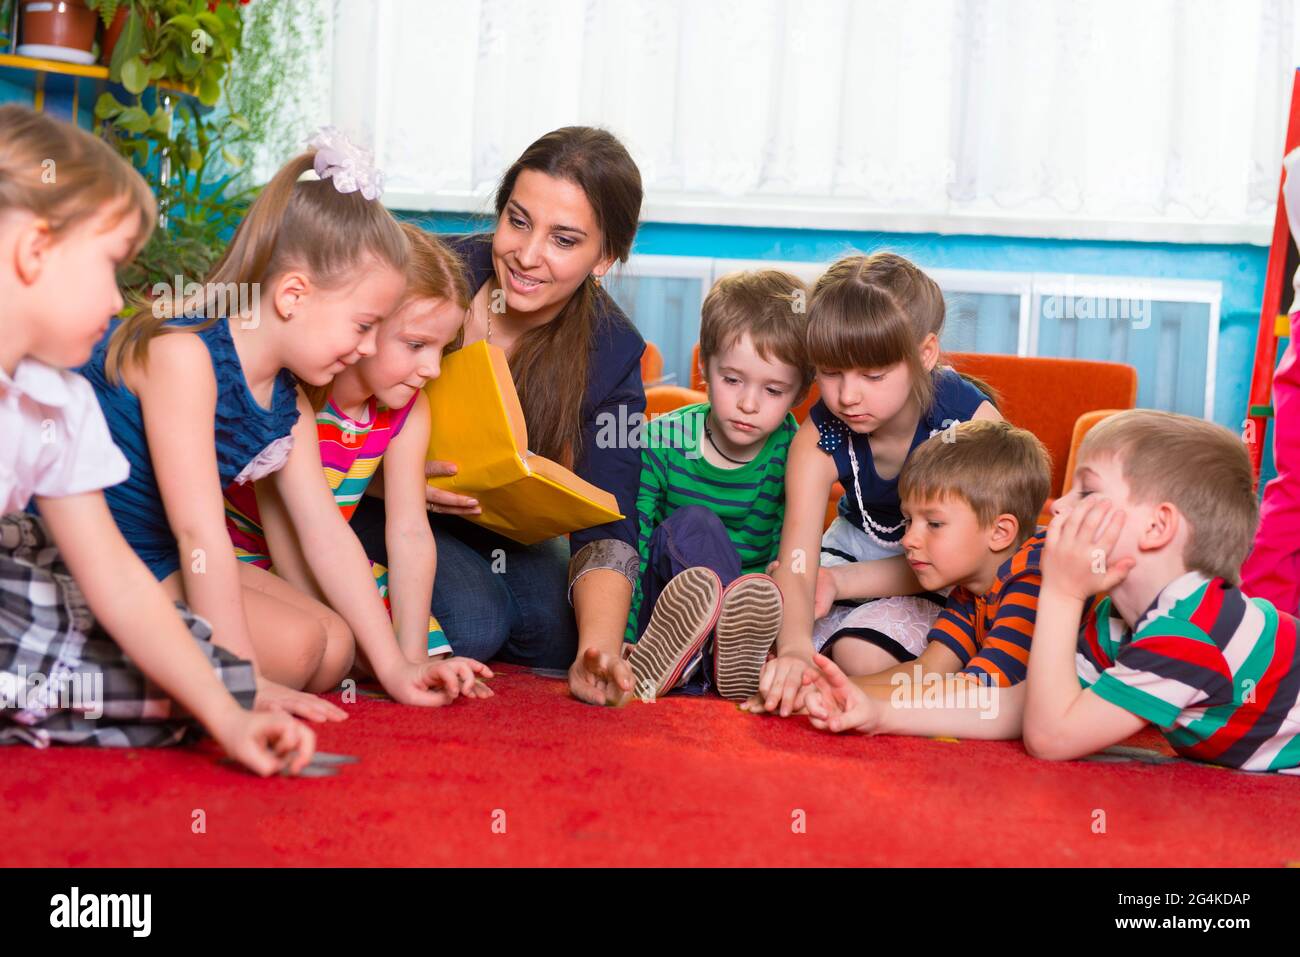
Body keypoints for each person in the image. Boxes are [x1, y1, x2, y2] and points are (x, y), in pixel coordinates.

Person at [0, 105, 315, 773]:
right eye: (110, 266)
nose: (120, 302)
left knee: (192, 680)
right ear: (34, 251)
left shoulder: (59, 401)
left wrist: (228, 713)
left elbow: (117, 577)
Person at [349, 126, 648, 705]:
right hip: (365, 494)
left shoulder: (613, 352)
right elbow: (324, 399)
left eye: (564, 240)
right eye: (517, 220)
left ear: (605, 258)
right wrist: (388, 483)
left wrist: (601, 648)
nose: (527, 256)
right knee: (478, 623)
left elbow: (610, 523)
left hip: (494, 527)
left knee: (562, 633)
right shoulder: (431, 272)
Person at [626, 270, 811, 701]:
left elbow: (790, 554)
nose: (748, 403)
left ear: (800, 392)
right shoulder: (662, 440)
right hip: (665, 614)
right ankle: (681, 657)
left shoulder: (794, 451)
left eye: (772, 389)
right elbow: (633, 543)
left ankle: (712, 666)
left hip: (745, 632)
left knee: (770, 578)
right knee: (697, 524)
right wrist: (623, 636)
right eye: (732, 380)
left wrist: (784, 647)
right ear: (703, 368)